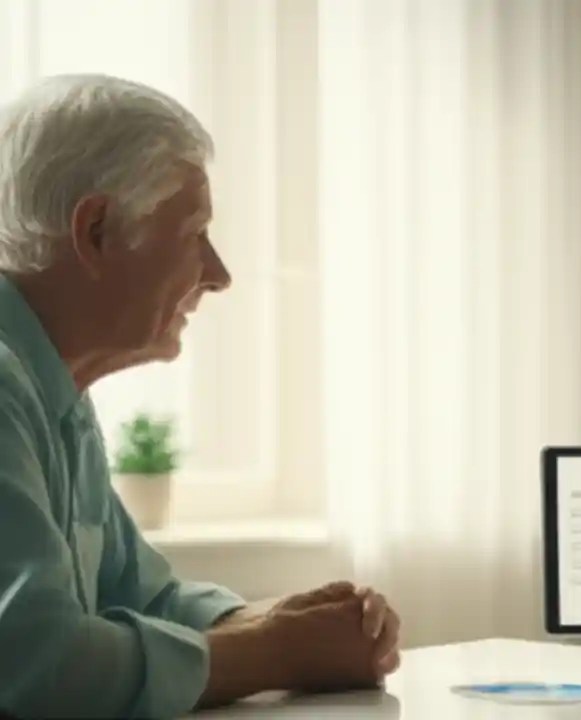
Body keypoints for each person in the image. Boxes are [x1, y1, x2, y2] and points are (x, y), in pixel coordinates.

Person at [0, 74, 401, 718]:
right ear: (96, 231)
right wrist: (279, 652)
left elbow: (141, 596)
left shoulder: (54, 393)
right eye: (195, 234)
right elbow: (40, 665)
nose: (218, 274)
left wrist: (278, 620)